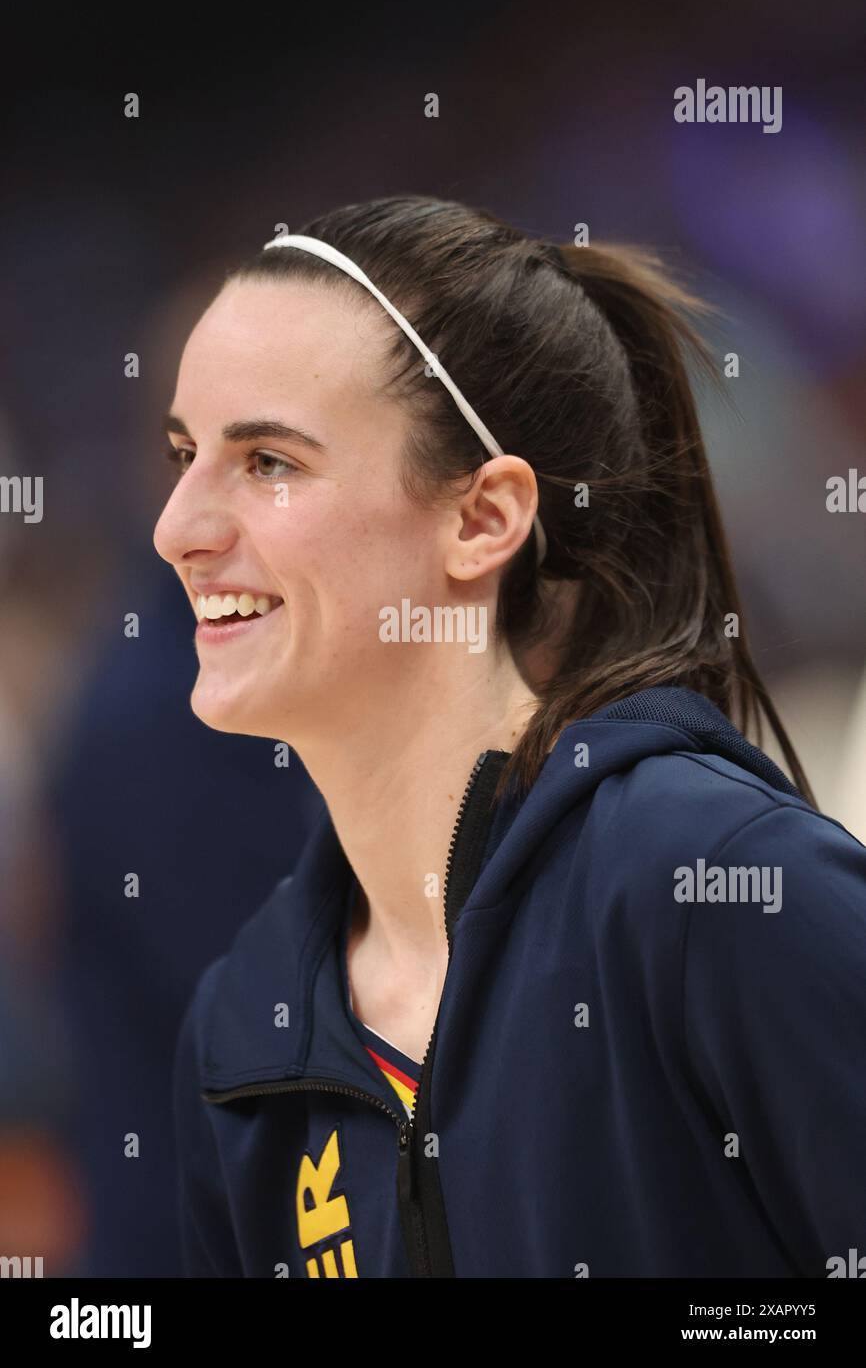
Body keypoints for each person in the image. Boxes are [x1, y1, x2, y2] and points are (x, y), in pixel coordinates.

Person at [157, 194, 866, 1278]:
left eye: (269, 463)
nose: (179, 530)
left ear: (482, 518)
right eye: (183, 453)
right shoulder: (245, 1020)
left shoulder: (715, 889)